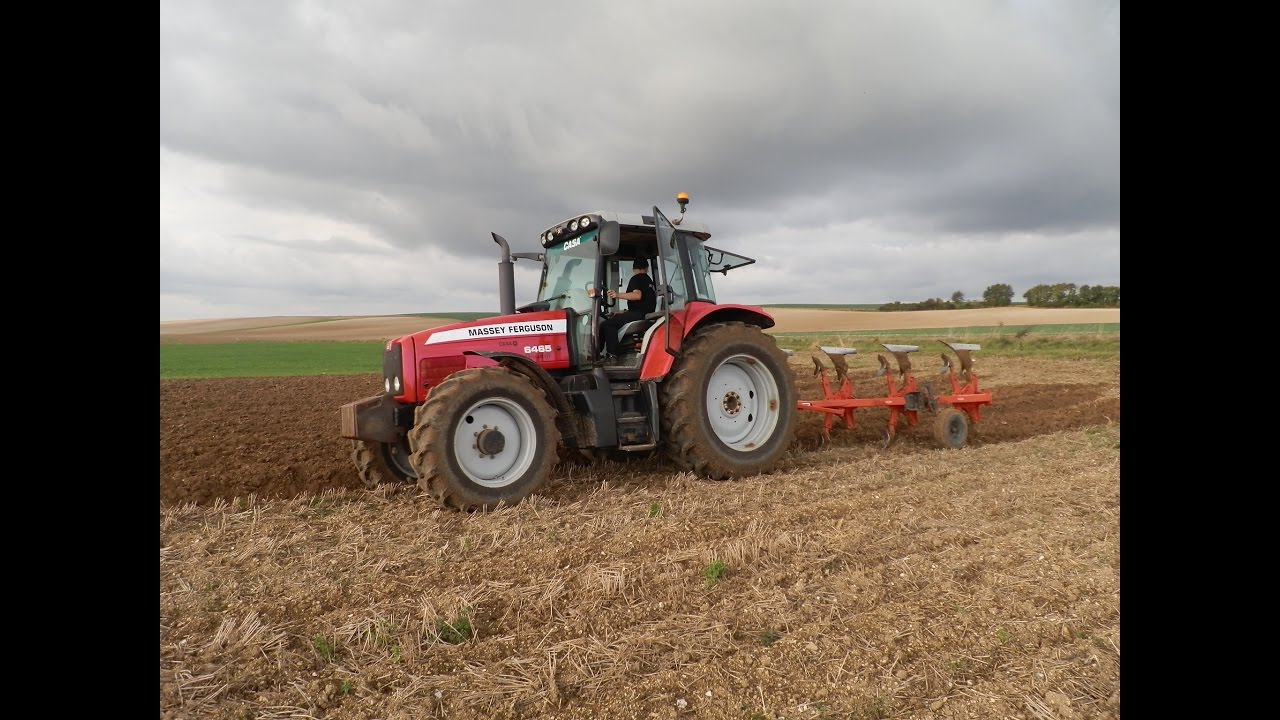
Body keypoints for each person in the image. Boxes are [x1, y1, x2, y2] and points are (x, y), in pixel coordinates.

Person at [599, 258, 656, 360]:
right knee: (614, 319)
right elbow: (643, 303)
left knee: (607, 324)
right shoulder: (649, 280)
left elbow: (637, 295)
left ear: (633, 269)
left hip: (638, 314)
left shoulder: (636, 278)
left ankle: (611, 354)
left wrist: (617, 294)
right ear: (647, 268)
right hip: (644, 313)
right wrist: (624, 312)